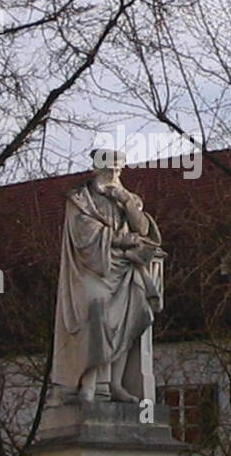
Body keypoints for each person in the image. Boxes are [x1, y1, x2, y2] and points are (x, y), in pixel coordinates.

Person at [53, 148, 165, 404]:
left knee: (137, 308)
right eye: (110, 169)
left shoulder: (127, 198)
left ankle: (116, 383)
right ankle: (90, 383)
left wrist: (127, 202)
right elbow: (85, 236)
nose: (115, 173)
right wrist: (124, 239)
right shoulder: (81, 200)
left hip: (124, 269)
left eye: (118, 169)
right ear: (97, 169)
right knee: (98, 307)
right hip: (91, 269)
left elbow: (144, 228)